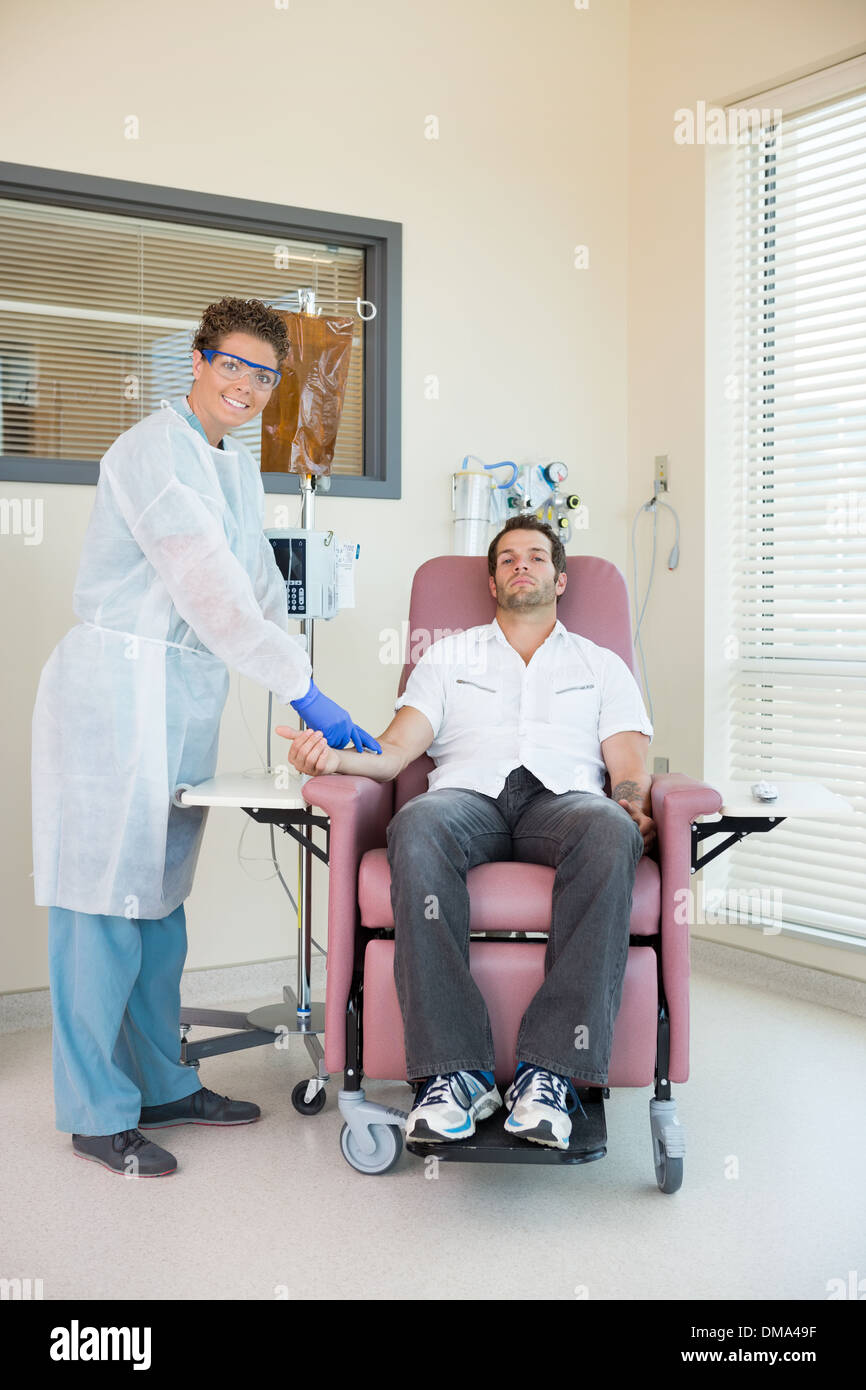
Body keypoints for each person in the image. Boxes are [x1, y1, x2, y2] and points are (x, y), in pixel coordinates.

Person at [31, 296, 380, 1178]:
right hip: (115, 694)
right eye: (233, 365)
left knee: (159, 906)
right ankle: (96, 1111)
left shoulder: (232, 467)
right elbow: (208, 590)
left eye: (265, 374)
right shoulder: (151, 452)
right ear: (197, 360)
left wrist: (307, 689)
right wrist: (302, 688)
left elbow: (255, 584)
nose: (248, 385)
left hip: (182, 694)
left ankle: (161, 1084)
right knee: (101, 904)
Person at [278, 515, 655, 1152]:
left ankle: (552, 1074)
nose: (521, 566)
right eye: (507, 558)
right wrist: (333, 759)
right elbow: (395, 754)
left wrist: (631, 810)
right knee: (416, 822)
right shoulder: (448, 656)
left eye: (536, 557)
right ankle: (454, 1075)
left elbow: (629, 768)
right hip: (466, 799)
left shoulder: (603, 664)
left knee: (609, 832)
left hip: (565, 803)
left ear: (560, 579)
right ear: (491, 579)